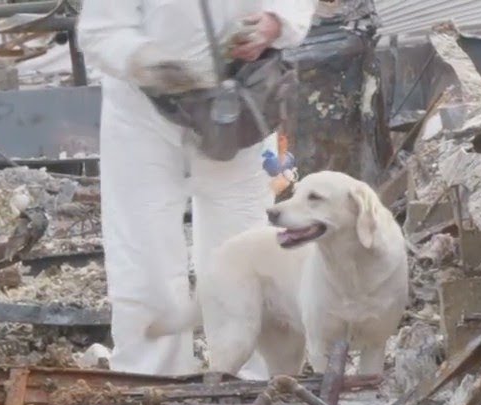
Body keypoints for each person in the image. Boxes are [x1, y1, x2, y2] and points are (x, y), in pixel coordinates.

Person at [79, 0, 318, 376]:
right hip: (143, 114)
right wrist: (140, 59)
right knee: (144, 252)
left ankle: (252, 379)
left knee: (244, 247)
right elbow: (99, 29)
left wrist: (275, 22)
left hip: (239, 102)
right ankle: (152, 377)